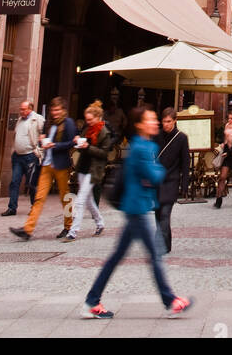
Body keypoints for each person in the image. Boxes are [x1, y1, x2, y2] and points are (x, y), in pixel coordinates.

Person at [81, 106, 193, 318]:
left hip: (135, 207)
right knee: (153, 256)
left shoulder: (141, 145)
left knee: (119, 257)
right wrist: (159, 168)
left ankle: (92, 301)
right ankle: (170, 301)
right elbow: (156, 176)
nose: (156, 122)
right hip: (138, 209)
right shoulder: (143, 148)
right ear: (140, 124)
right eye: (151, 119)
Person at [11, 97, 76, 241]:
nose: (55, 113)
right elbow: (45, 137)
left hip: (61, 165)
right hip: (47, 164)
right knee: (39, 197)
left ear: (63, 110)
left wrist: (54, 145)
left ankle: (69, 225)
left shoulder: (68, 123)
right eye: (53, 110)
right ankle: (28, 229)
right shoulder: (49, 123)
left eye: (58, 110)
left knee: (64, 197)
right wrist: (43, 139)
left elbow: (71, 142)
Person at [63, 102, 111, 241]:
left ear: (98, 117)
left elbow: (104, 153)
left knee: (81, 199)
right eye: (87, 119)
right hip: (83, 167)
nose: (88, 122)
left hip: (94, 169)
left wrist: (87, 147)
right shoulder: (87, 129)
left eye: (90, 119)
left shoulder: (104, 132)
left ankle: (73, 232)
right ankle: (100, 223)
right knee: (89, 200)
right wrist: (78, 142)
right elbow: (82, 147)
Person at [1, 100, 44, 217]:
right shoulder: (20, 120)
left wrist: (41, 143)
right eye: (20, 109)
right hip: (18, 156)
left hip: (30, 156)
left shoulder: (37, 119)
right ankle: (12, 208)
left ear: (30, 109)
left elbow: (43, 133)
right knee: (14, 182)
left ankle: (34, 208)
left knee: (31, 183)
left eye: (23, 109)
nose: (21, 111)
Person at [157, 107, 191, 250]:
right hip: (157, 180)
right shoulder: (156, 136)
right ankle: (164, 242)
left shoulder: (181, 138)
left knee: (165, 213)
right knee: (158, 213)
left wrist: (184, 184)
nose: (166, 124)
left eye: (169, 121)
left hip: (172, 179)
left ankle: (161, 245)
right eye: (164, 121)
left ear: (175, 121)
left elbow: (185, 162)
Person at [213, 114, 232, 209]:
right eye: (229, 118)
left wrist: (229, 152)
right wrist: (223, 145)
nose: (230, 120)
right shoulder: (226, 126)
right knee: (222, 177)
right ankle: (218, 200)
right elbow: (225, 140)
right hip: (226, 155)